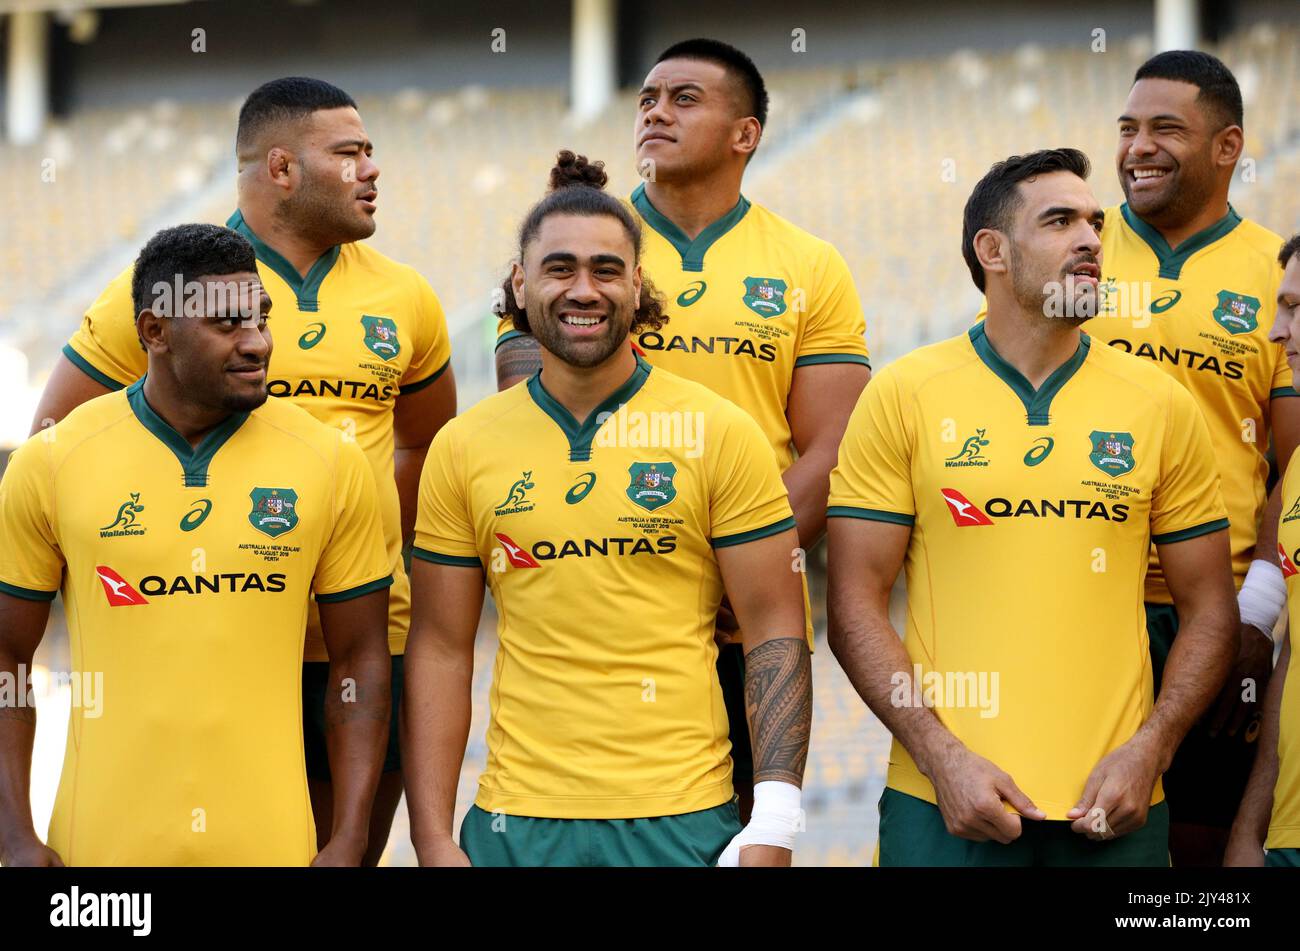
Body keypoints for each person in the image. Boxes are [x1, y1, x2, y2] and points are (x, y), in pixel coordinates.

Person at [29, 77, 457, 865]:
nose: (373, 170)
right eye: (351, 153)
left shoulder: (406, 298)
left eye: (372, 152)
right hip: (208, 641)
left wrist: (359, 557)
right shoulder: (170, 286)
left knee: (341, 852)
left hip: (364, 640)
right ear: (283, 169)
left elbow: (425, 449)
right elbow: (58, 441)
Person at [829, 149, 1238, 866]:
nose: (1090, 240)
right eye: (1060, 221)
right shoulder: (905, 393)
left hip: (1117, 809)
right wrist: (940, 757)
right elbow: (855, 605)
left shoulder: (1159, 403)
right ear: (992, 250)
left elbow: (1208, 609)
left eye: (1095, 223)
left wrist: (1153, 750)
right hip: (944, 806)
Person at [497, 39, 869, 817]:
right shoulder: (578, 246)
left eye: (685, 98)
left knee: (744, 831)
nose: (656, 112)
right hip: (604, 602)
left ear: (746, 134)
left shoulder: (810, 265)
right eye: (648, 99)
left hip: (752, 615)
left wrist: (745, 563)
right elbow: (530, 413)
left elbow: (834, 449)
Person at [404, 154, 811, 866]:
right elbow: (440, 646)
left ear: (638, 286)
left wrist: (774, 821)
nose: (583, 289)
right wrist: (433, 837)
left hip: (681, 819)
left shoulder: (718, 431)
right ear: (520, 285)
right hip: (514, 824)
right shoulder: (464, 447)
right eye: (559, 269)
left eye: (606, 269)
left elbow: (775, 623)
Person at [978, 52, 1298, 865]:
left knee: (1196, 847)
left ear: (1228, 148)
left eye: (1165, 129)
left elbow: (1293, 464)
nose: (1138, 148)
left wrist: (1257, 611)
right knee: (1052, 825)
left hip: (1212, 616)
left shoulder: (1273, 273)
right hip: (1077, 604)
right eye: (1126, 128)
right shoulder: (1064, 246)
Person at [0, 224, 392, 866]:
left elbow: (359, 661)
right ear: (155, 331)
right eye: (227, 324)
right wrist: (13, 837)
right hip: (103, 858)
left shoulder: (327, 461)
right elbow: (7, 658)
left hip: (272, 850)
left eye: (262, 318)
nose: (258, 342)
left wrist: (349, 838)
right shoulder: (53, 461)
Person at [1226, 234, 1300, 866]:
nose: (1277, 333)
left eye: (1297, 310)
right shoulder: (1299, 471)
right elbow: (1290, 659)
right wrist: (1251, 833)